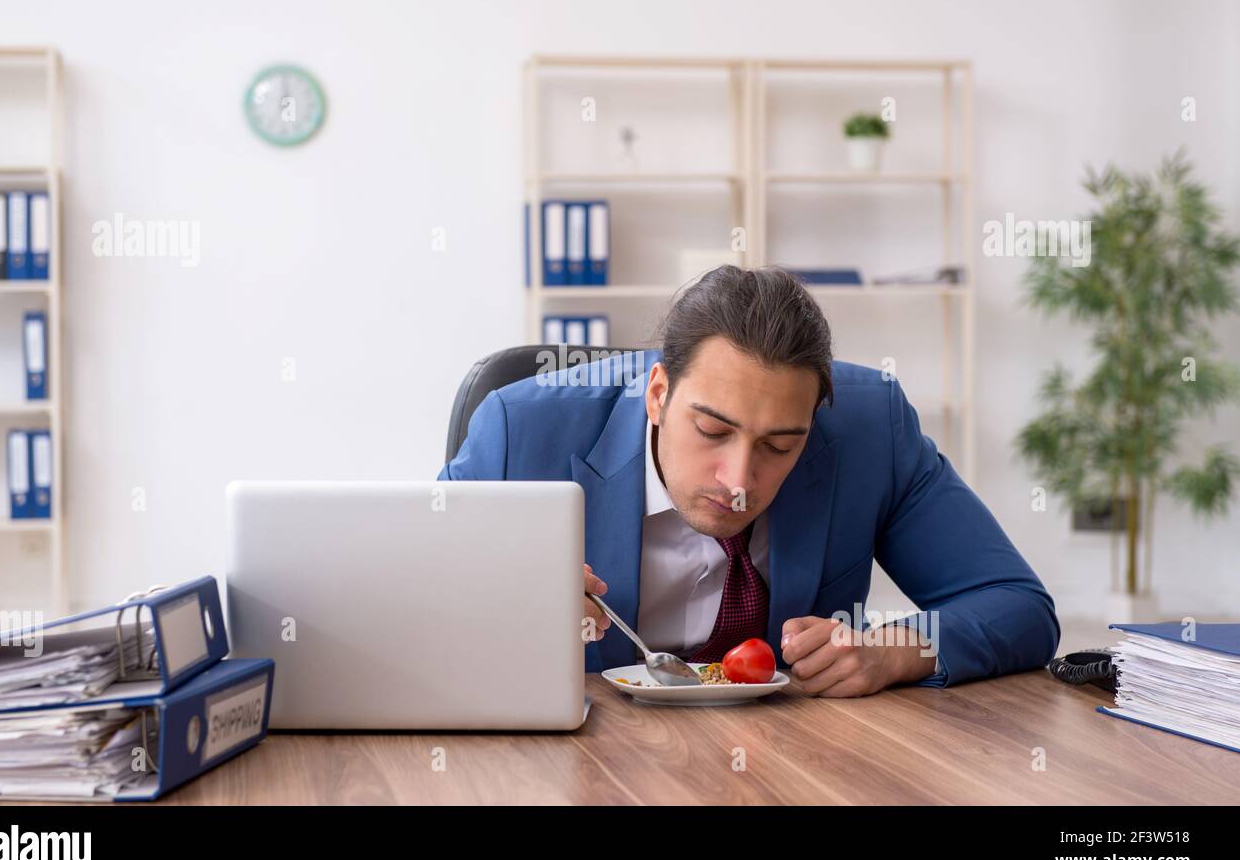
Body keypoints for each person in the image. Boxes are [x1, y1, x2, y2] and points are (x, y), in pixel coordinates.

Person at [439, 265, 1060, 696]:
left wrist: (898, 648)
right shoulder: (519, 431)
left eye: (780, 445)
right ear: (658, 395)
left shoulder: (873, 431)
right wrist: (502, 593)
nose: (739, 480)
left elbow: (1018, 606)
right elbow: (411, 603)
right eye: (711, 431)